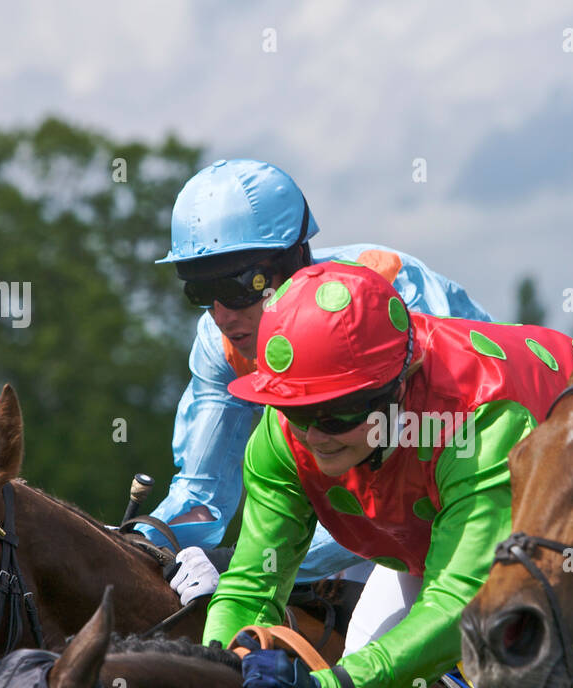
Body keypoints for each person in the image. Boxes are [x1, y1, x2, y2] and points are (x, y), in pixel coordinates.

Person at [200, 261, 573, 688]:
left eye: (337, 414)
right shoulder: (286, 435)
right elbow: (252, 586)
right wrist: (217, 676)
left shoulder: (479, 420)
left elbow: (461, 604)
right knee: (366, 680)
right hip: (443, 531)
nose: (312, 435)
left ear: (397, 386)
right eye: (295, 410)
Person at [138, 159, 494, 602]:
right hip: (362, 498)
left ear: (298, 258)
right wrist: (133, 543)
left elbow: (403, 502)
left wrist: (239, 560)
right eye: (199, 291)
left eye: (239, 286)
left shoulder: (392, 300)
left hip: (464, 481)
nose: (223, 316)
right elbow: (202, 495)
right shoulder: (218, 343)